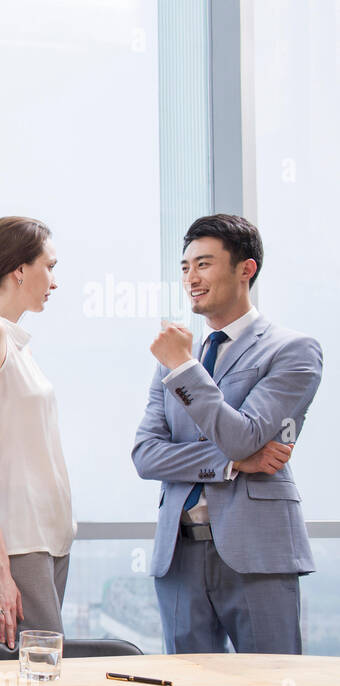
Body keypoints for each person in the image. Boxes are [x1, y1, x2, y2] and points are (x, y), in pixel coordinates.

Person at [133, 213, 321, 654]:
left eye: (204, 264)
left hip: (257, 554)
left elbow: (246, 435)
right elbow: (146, 456)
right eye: (185, 267)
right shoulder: (173, 359)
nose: (191, 278)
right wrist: (233, 463)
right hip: (179, 556)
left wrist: (184, 368)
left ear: (245, 269)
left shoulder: (292, 350)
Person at [0, 217, 75, 648]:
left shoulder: (15, 341)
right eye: (49, 266)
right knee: (42, 666)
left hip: (46, 536)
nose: (54, 280)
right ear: (19, 270)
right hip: (16, 536)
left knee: (44, 667)